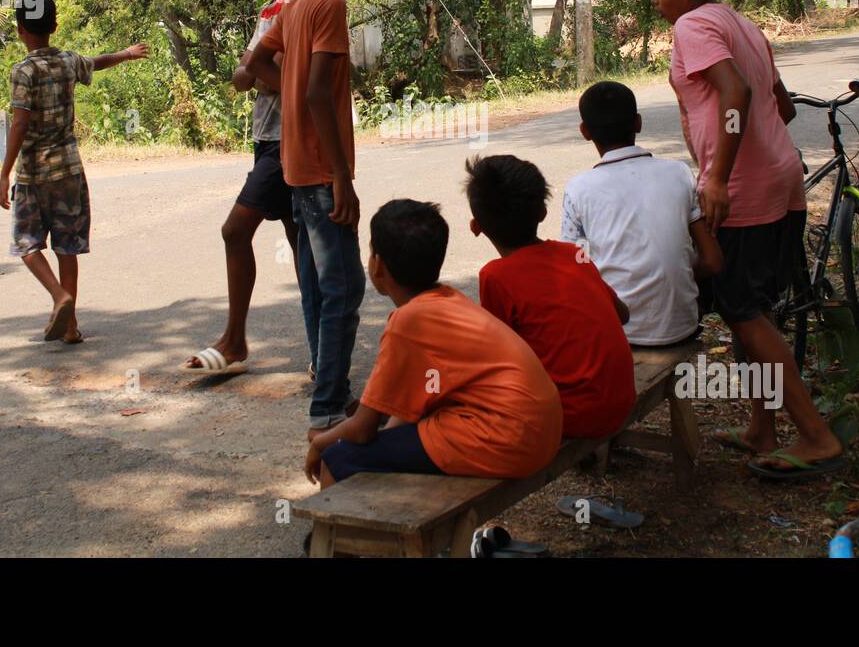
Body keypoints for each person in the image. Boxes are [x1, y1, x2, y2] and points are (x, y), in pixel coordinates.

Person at [644, 0, 844, 481]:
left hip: (747, 189)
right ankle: (763, 427)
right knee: (754, 310)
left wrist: (718, 176)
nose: (657, 2)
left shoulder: (693, 26)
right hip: (783, 179)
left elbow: (737, 94)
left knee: (745, 313)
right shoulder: (744, 24)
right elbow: (780, 103)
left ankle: (817, 437)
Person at [304, 199, 563, 487]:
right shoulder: (448, 300)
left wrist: (319, 443)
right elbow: (410, 410)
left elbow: (363, 429)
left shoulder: (407, 321)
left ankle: (331, 530)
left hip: (508, 438)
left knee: (338, 458)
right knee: (389, 445)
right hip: (541, 431)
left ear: (377, 265)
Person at [246, 0, 365, 439]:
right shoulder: (329, 5)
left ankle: (329, 385)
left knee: (316, 284)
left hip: (294, 165)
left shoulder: (291, 2)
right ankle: (328, 408)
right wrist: (342, 174)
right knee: (344, 289)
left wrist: (284, 86)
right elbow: (320, 92)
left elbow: (253, 65)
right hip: (319, 170)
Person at [184, 0, 302, 376]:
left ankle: (235, 339)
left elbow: (270, 72)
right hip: (271, 133)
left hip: (282, 138)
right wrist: (251, 70)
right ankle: (317, 345)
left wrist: (253, 71)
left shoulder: (291, 2)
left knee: (236, 230)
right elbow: (245, 73)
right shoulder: (276, 5)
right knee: (299, 241)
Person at [0, 0, 149, 344]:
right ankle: (70, 326)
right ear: (54, 26)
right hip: (69, 171)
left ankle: (58, 297)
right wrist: (126, 54)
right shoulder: (67, 62)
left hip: (34, 174)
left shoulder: (23, 71)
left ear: (20, 30)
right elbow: (96, 62)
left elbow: (19, 123)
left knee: (26, 243)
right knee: (67, 246)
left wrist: (5, 172)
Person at [465, 154, 636, 440]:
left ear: (476, 226)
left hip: (570, 417)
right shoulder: (574, 255)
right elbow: (623, 315)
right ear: (543, 213)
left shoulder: (496, 276)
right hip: (620, 401)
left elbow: (497, 360)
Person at [560, 80, 724, 348]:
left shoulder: (579, 188)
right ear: (638, 123)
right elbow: (713, 261)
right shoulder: (678, 173)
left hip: (623, 333)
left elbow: (577, 268)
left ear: (585, 131)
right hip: (684, 325)